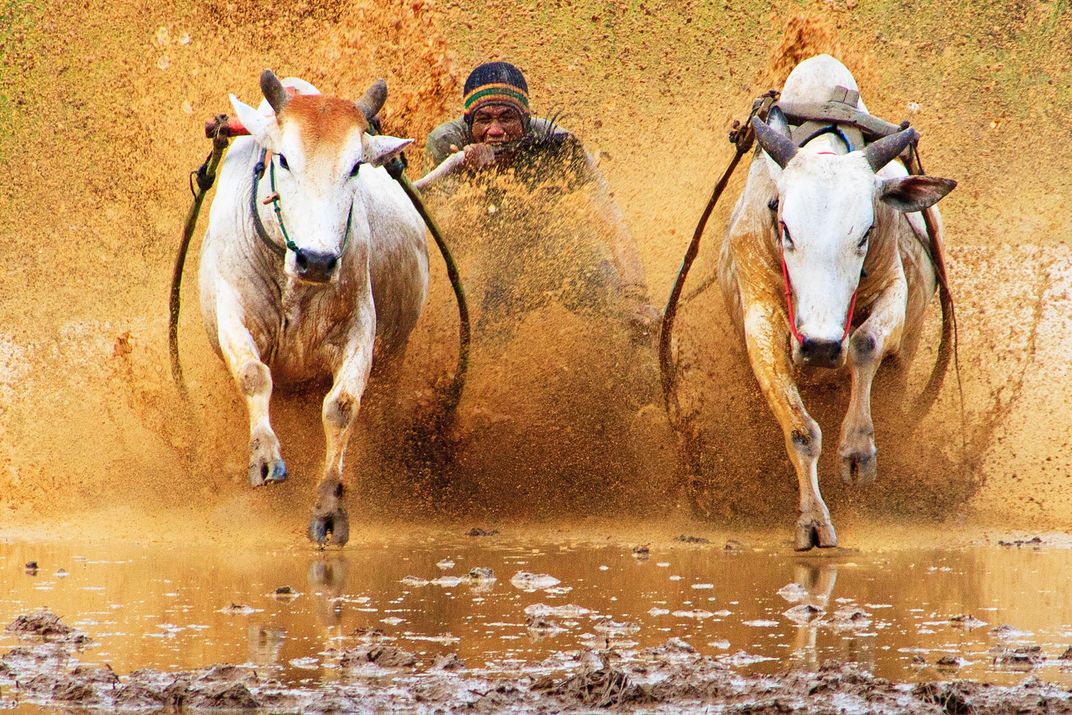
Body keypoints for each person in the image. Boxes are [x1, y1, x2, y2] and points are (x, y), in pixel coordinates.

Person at [421, 61, 659, 343]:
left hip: (562, 254)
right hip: (491, 268)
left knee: (633, 323)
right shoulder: (447, 144)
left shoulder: (558, 146)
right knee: (466, 339)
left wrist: (635, 296)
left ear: (526, 118)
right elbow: (446, 233)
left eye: (506, 117)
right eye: (484, 120)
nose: (495, 131)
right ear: (468, 121)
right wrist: (470, 177)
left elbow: (613, 225)